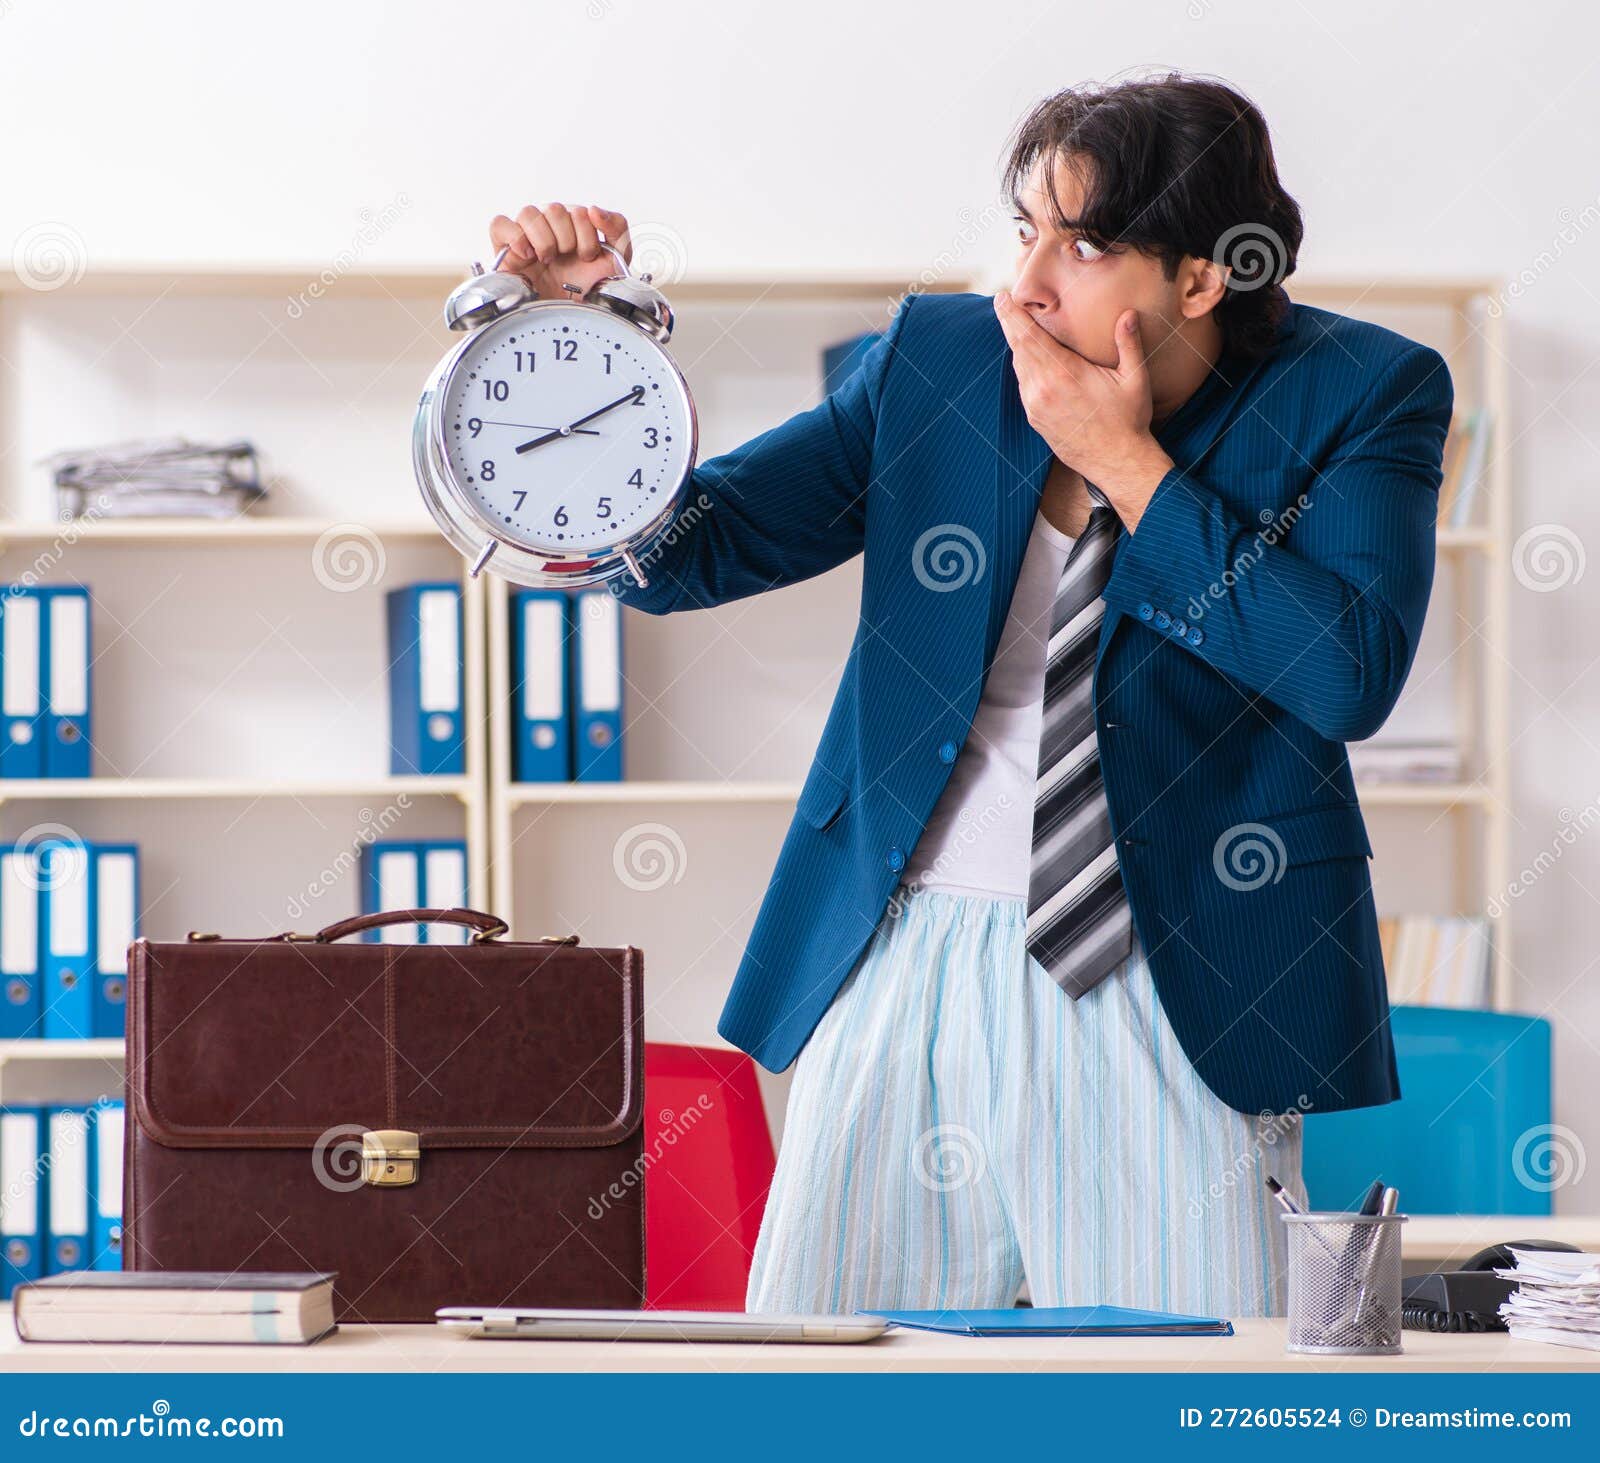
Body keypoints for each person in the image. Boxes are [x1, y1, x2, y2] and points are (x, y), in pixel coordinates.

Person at [488, 71, 1452, 1319]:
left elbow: (1344, 670)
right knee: (837, 1390)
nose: (1031, 281)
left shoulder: (1363, 392)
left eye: (1086, 243)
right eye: (1026, 230)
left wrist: (1124, 461)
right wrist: (581, 357)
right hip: (901, 950)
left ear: (1204, 278)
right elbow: (690, 550)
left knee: (1180, 1397)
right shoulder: (942, 360)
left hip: (1172, 973)